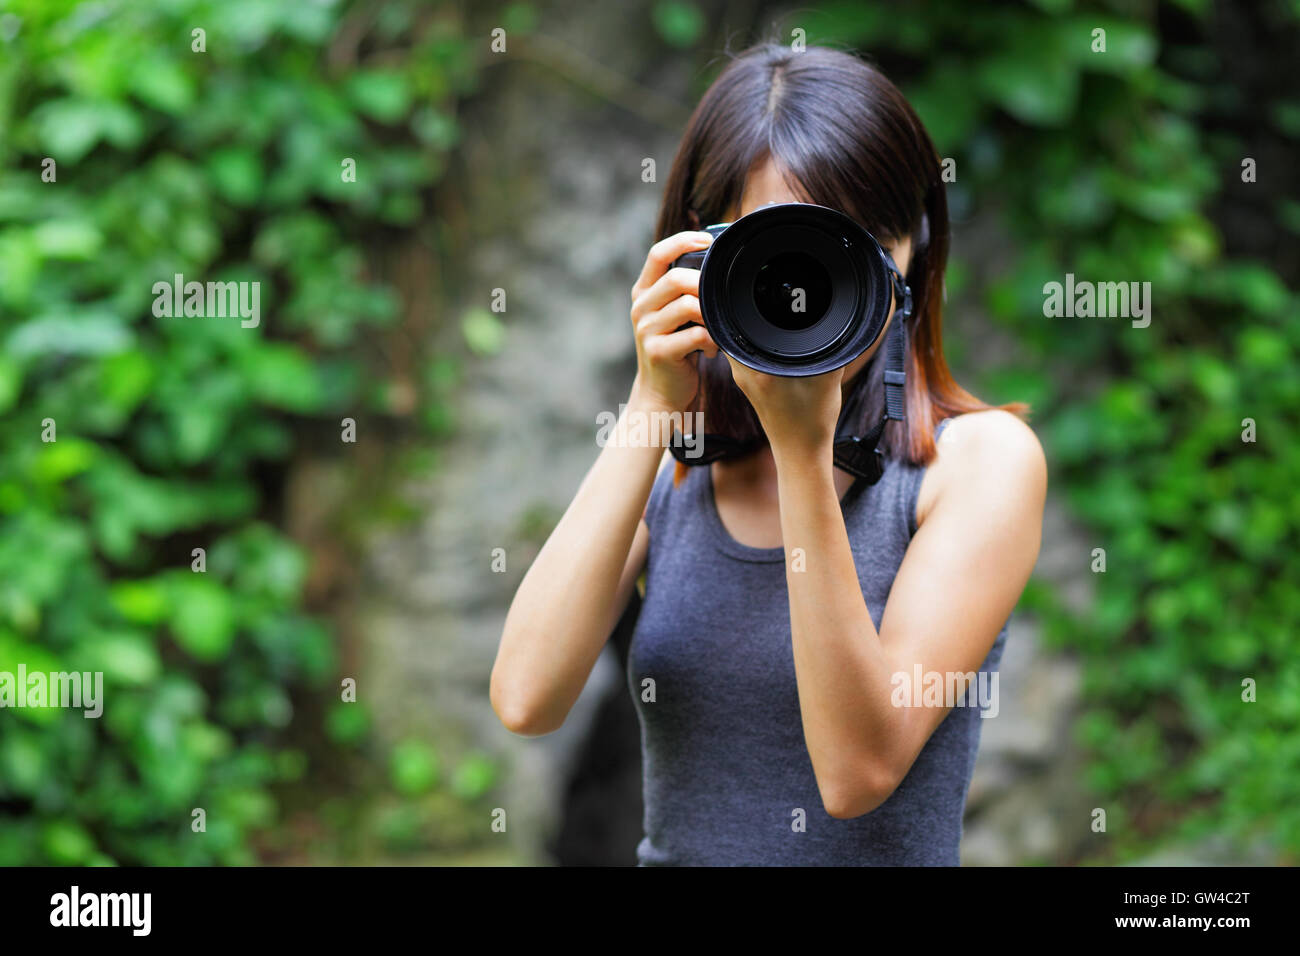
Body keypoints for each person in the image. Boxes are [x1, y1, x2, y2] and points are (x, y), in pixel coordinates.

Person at [491, 42, 1047, 865]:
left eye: (849, 249)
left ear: (909, 256)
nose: (809, 291)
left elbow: (857, 772)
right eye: (783, 251)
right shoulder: (679, 457)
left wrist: (803, 454)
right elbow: (527, 697)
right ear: (703, 255)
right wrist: (652, 401)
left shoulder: (978, 465)